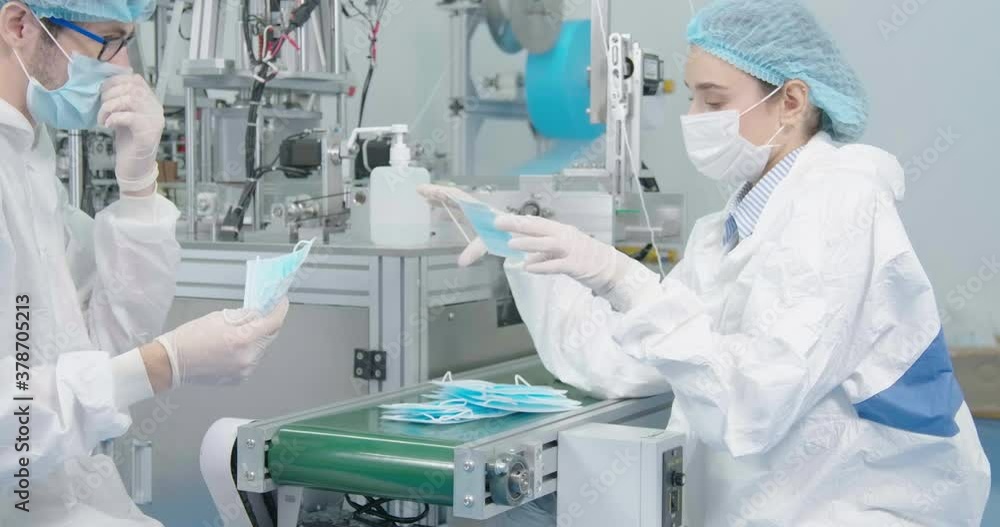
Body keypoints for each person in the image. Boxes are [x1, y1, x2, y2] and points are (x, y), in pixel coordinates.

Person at [420, 0, 991, 525]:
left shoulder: (842, 204)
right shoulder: (725, 232)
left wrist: (620, 277)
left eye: (714, 101)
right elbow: (624, 362)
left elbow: (752, 402)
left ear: (792, 101)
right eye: (692, 98)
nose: (694, 116)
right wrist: (523, 248)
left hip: (860, 508)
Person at [0, 1, 290, 525]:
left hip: (69, 496)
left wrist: (138, 185)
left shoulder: (27, 155)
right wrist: (164, 364)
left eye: (128, 42)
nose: (124, 68)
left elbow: (97, 345)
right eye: (109, 41)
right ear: (20, 26)